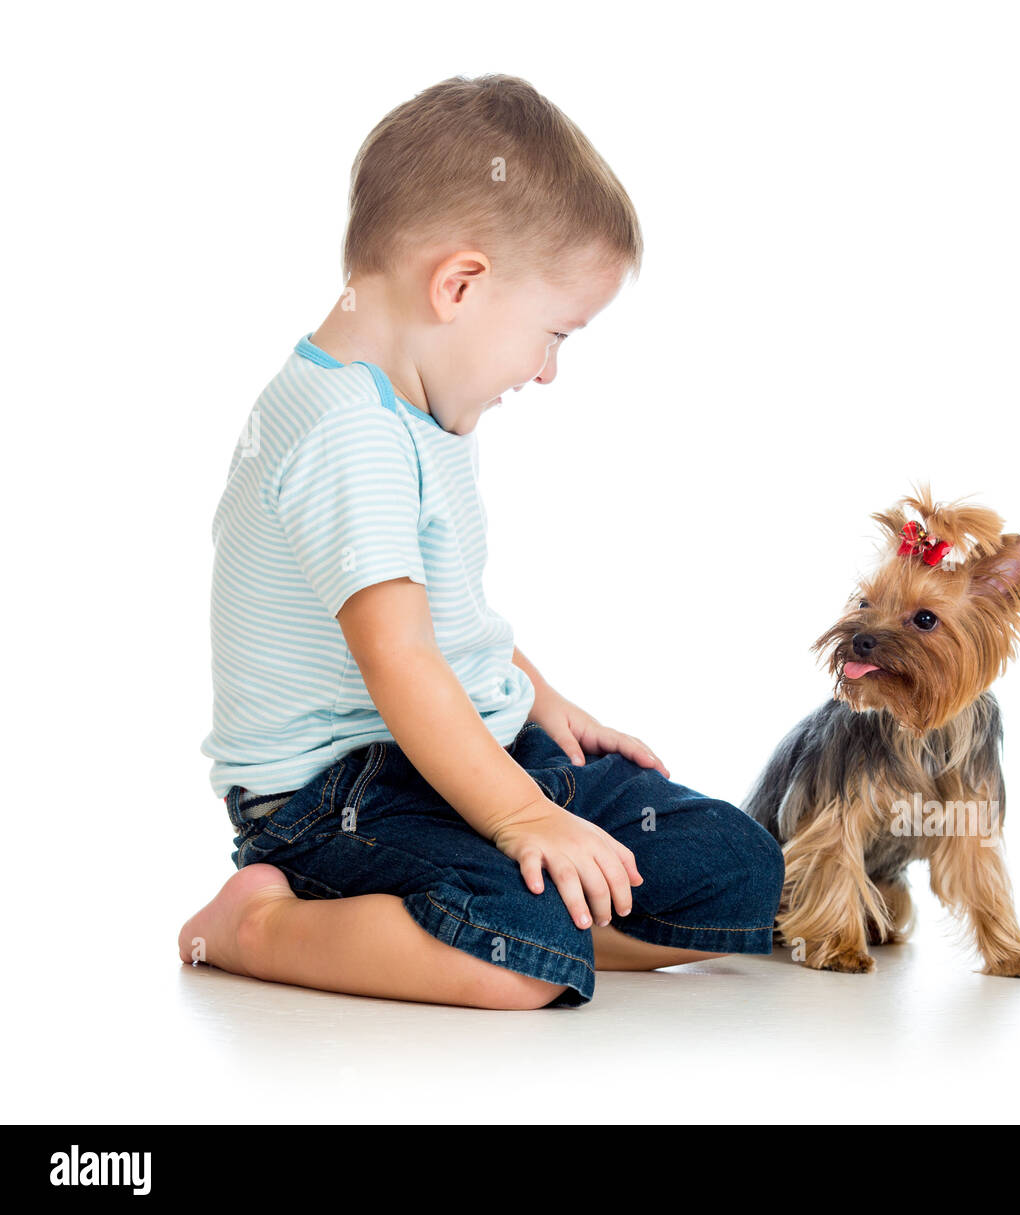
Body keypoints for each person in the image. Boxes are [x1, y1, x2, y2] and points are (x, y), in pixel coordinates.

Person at [181, 74, 785, 1009]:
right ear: (460, 284)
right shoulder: (348, 432)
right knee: (521, 955)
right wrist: (519, 814)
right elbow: (399, 659)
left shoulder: (421, 406)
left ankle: (529, 920)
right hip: (339, 797)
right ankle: (261, 925)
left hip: (466, 747)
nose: (545, 373)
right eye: (552, 335)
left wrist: (542, 699)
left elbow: (447, 616)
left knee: (738, 865)